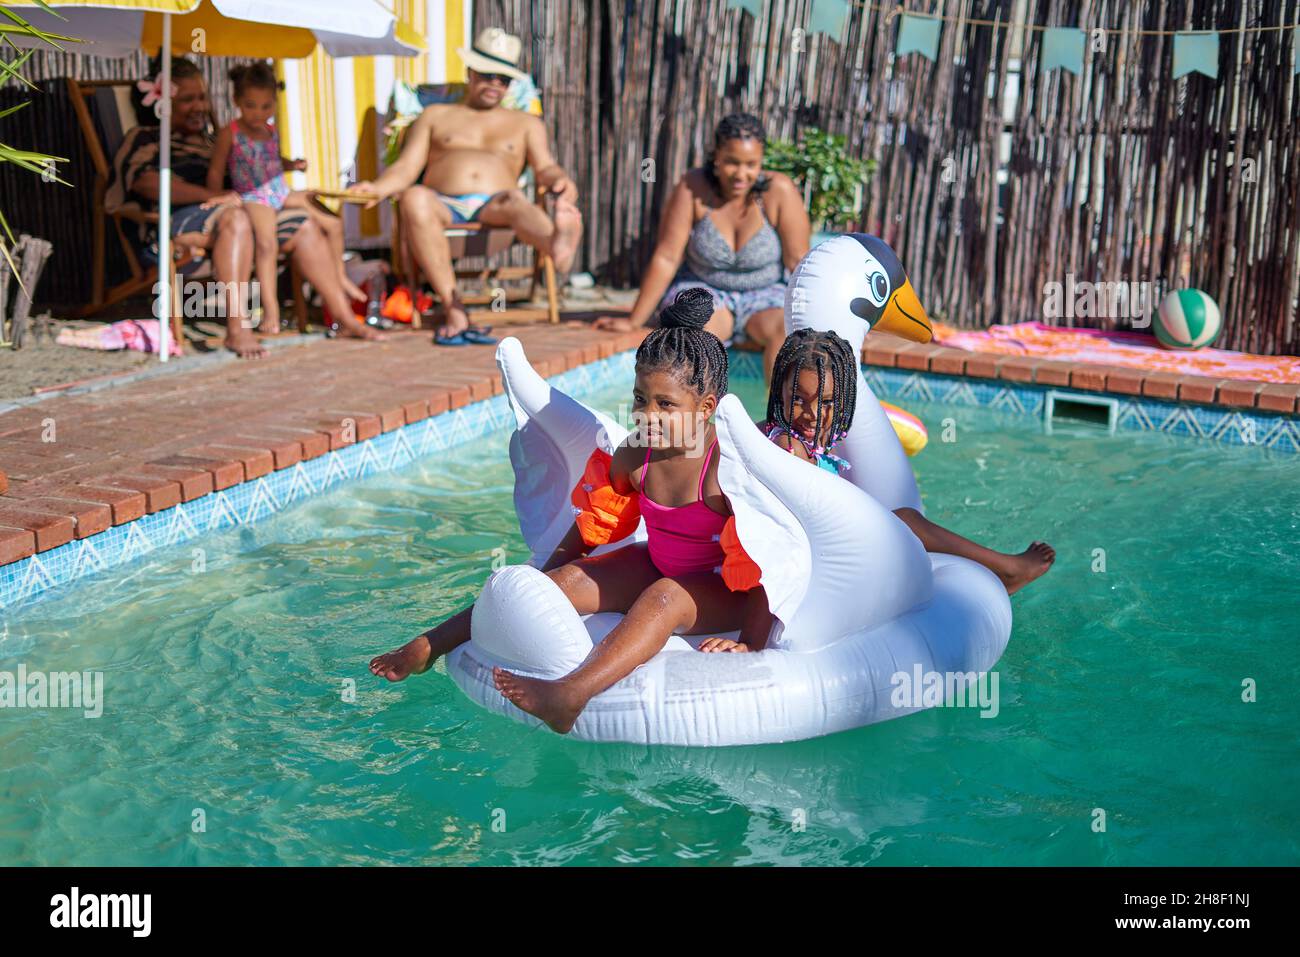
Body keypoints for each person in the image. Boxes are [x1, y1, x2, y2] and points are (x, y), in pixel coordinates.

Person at [370, 290, 750, 734]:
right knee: (561, 583)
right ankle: (431, 643)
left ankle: (571, 694)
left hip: (722, 586)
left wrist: (756, 643)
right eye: (640, 398)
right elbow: (593, 528)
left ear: (706, 408)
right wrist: (543, 580)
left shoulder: (725, 467)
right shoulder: (634, 455)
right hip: (659, 561)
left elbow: (772, 554)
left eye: (666, 404)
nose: (648, 414)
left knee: (663, 597)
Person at [700, 329, 1057, 653]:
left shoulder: (795, 439)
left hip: (821, 557)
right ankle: (1006, 569)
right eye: (799, 399)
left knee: (900, 518)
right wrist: (750, 641)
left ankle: (1004, 568)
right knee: (905, 520)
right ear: (778, 390)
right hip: (816, 575)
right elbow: (777, 545)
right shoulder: (788, 448)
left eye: (825, 403)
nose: (811, 413)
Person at [107, 56, 382, 358]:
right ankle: (238, 328)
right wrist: (212, 195)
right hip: (181, 221)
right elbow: (145, 182)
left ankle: (344, 318)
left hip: (240, 213)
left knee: (304, 224)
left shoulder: (211, 140)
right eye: (187, 100)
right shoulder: (146, 137)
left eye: (201, 97)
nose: (199, 106)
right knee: (236, 218)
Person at [350, 28, 583, 344]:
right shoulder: (434, 115)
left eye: (504, 79)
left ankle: (557, 246)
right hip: (441, 205)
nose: (495, 84)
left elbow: (545, 167)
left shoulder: (526, 123)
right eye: (488, 75)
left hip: (497, 206)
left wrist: (560, 180)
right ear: (470, 72)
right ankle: (453, 306)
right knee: (413, 196)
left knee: (515, 199)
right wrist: (377, 189)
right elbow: (406, 168)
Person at [593, 113, 811, 383]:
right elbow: (667, 257)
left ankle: (777, 420)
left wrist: (817, 317)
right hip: (704, 290)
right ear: (716, 156)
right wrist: (635, 320)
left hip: (765, 294)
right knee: (696, 333)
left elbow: (798, 260)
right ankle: (697, 417)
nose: (741, 174)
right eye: (732, 162)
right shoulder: (692, 188)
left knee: (785, 330)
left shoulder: (778, 192)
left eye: (751, 165)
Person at [207, 62, 366, 335]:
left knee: (333, 222)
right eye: (251, 105)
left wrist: (291, 165)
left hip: (279, 191)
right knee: (267, 246)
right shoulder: (230, 133)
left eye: (266, 106)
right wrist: (216, 195)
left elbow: (269, 161)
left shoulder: (270, 131)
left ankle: (340, 277)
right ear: (236, 102)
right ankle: (271, 309)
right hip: (254, 196)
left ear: (275, 103)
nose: (259, 113)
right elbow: (216, 169)